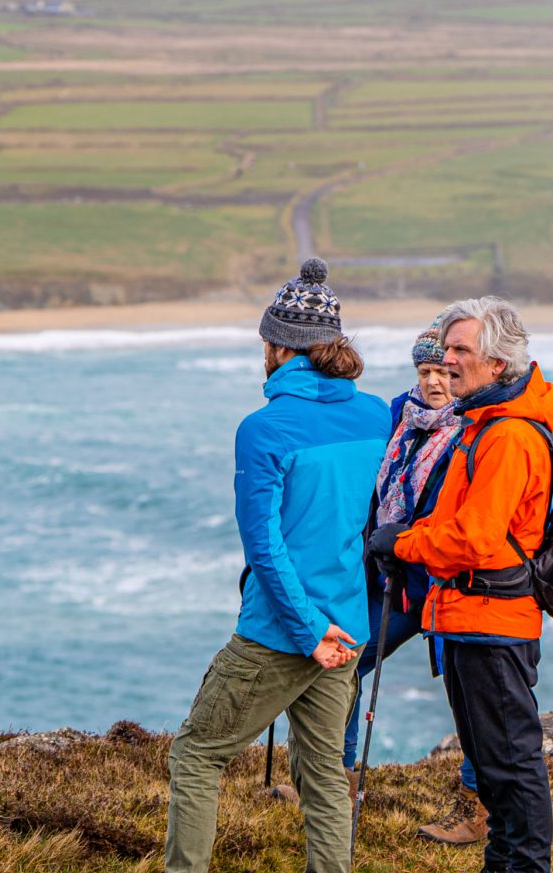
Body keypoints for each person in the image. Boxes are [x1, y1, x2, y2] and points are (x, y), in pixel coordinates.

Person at [164, 258, 391, 873]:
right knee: (323, 776)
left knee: (196, 755)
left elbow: (265, 548)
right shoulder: (377, 416)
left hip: (284, 632)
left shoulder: (263, 429)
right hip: (349, 628)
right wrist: (329, 629)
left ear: (276, 347)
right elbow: (371, 522)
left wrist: (306, 630)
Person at [368, 297, 553, 873]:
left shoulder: (507, 437)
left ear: (496, 364)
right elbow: (457, 521)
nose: (446, 361)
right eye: (445, 349)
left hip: (491, 620)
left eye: (459, 350)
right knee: (494, 762)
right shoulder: (481, 426)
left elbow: (474, 537)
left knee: (510, 765)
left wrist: (400, 544)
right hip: (467, 616)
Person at [340, 320, 486, 846]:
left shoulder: (476, 430)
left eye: (444, 371)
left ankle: (477, 809)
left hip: (449, 584)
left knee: (468, 693)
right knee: (349, 660)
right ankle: (339, 776)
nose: (433, 382)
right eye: (425, 370)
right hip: (395, 581)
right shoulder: (399, 417)